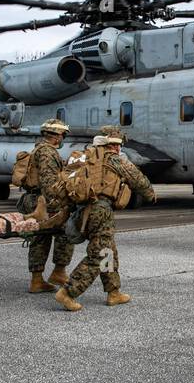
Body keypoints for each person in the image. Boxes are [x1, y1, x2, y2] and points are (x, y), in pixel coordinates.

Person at [55, 125, 156, 312]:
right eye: (118, 145)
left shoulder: (87, 157)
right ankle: (68, 293)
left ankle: (113, 292)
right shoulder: (114, 160)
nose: (119, 148)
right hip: (101, 210)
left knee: (108, 250)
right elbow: (138, 179)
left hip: (86, 210)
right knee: (98, 255)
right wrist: (151, 195)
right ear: (113, 145)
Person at [21, 118, 75, 293]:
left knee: (41, 238)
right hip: (44, 201)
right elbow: (49, 182)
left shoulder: (40, 149)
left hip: (37, 200)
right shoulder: (47, 153)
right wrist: (60, 204)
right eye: (62, 135)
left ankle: (37, 281)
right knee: (66, 231)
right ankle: (58, 272)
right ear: (58, 136)